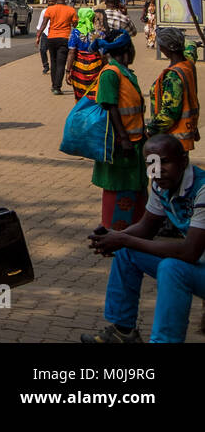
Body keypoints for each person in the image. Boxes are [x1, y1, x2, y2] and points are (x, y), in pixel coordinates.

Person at [82, 135, 205, 343]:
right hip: (198, 267)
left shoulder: (202, 190)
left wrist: (124, 240)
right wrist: (114, 237)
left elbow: (189, 252)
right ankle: (123, 332)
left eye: (164, 161)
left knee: (171, 268)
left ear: (183, 161)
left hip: (196, 264)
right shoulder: (161, 184)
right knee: (126, 253)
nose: (157, 169)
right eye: (151, 163)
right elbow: (146, 227)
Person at [92, 31, 147, 231]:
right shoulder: (110, 73)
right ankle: (114, 229)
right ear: (125, 51)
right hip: (121, 142)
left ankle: (133, 228)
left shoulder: (124, 72)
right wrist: (123, 138)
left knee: (134, 186)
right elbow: (110, 106)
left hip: (135, 138)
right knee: (118, 186)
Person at [148, 27, 200, 152]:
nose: (160, 48)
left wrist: (150, 131)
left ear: (168, 48)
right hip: (183, 135)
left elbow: (169, 113)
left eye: (161, 45)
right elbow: (190, 50)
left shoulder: (173, 77)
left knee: (160, 171)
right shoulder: (187, 65)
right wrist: (194, 44)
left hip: (171, 140)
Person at [40, 0, 78, 95]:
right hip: (64, 38)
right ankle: (57, 87)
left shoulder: (50, 9)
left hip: (51, 38)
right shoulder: (71, 10)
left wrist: (38, 35)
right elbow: (75, 24)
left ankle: (53, 85)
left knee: (53, 62)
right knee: (61, 63)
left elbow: (44, 23)